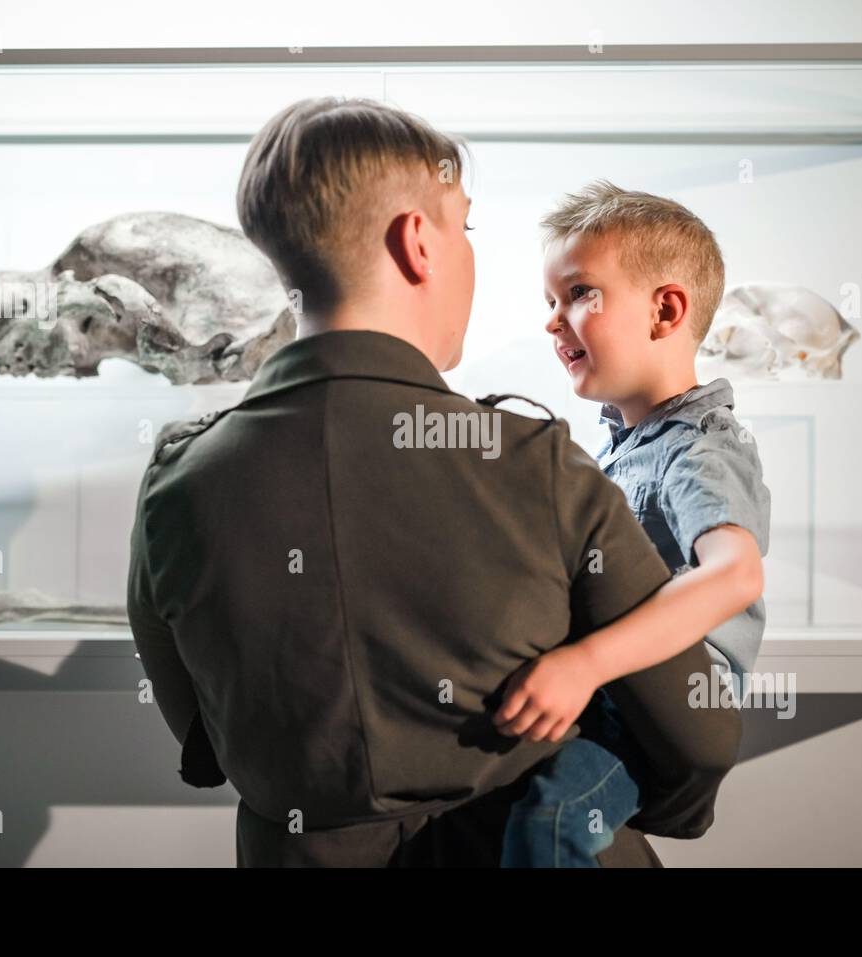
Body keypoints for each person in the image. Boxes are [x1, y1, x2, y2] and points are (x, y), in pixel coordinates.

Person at [126, 98, 741, 867]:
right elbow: (699, 727)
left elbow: (196, 724)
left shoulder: (178, 483)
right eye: (465, 228)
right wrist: (641, 802)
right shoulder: (532, 463)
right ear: (417, 242)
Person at [498, 181, 771, 867]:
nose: (554, 321)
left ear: (666, 310)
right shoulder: (621, 446)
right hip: (614, 694)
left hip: (650, 711)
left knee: (551, 823)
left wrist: (583, 662)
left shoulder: (698, 447)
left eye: (580, 293)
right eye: (550, 302)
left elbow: (735, 572)